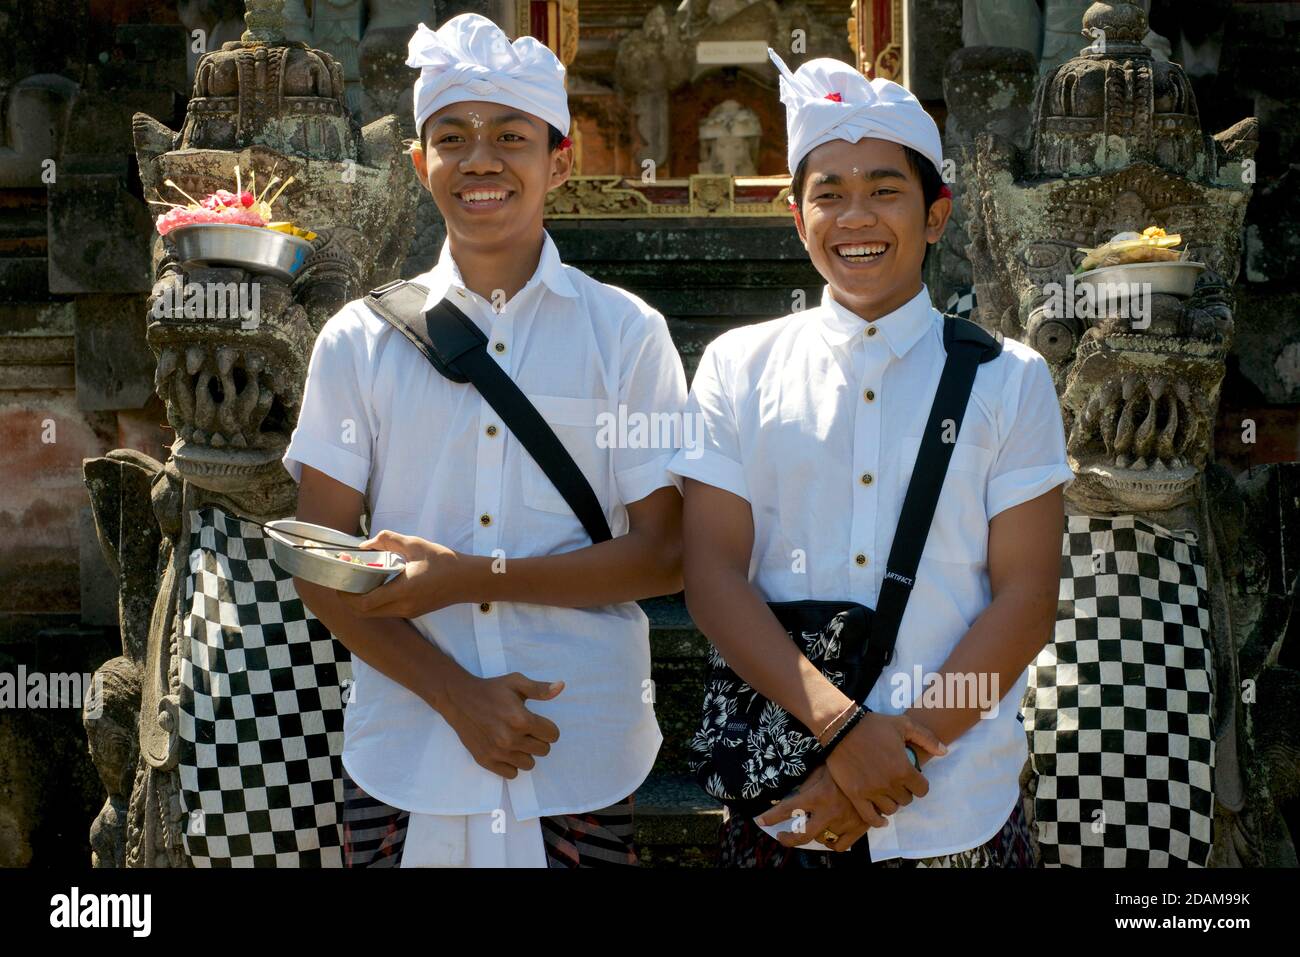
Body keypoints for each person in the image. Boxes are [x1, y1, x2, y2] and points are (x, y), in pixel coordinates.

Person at [281, 13, 688, 868]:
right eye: (452, 136)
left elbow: (665, 556)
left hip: (576, 739)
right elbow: (319, 559)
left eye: (512, 135)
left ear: (560, 160)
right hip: (407, 743)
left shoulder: (626, 334)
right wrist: (457, 696)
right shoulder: (360, 341)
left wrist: (471, 577)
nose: (481, 159)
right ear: (417, 160)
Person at [666, 50, 1074, 867]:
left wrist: (895, 761)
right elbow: (712, 574)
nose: (857, 217)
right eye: (830, 194)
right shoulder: (738, 369)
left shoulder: (1010, 378)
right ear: (796, 217)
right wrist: (842, 728)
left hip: (959, 806)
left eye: (886, 190)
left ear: (937, 214)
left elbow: (1025, 598)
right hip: (781, 798)